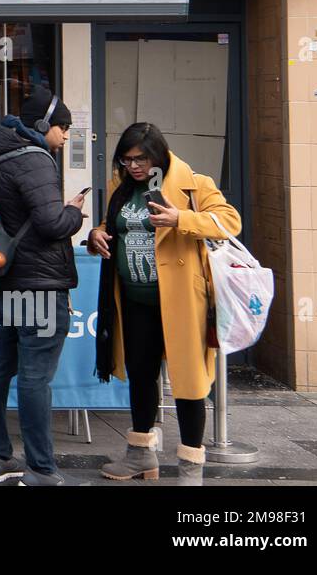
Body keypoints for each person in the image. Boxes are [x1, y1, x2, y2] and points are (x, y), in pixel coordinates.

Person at [87, 122, 240, 486]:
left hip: (182, 301)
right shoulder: (120, 187)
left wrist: (181, 218)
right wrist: (96, 235)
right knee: (141, 376)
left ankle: (190, 468)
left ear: (160, 155)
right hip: (134, 300)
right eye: (126, 159)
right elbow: (112, 225)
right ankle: (141, 454)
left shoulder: (194, 185)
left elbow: (230, 222)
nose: (133, 166)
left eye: (140, 158)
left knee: (189, 384)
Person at [0, 87, 85, 486]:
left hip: (8, 280)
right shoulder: (36, 160)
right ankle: (39, 468)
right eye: (63, 127)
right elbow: (52, 224)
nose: (67, 135)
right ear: (43, 126)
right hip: (40, 282)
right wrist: (75, 211)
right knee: (36, 376)